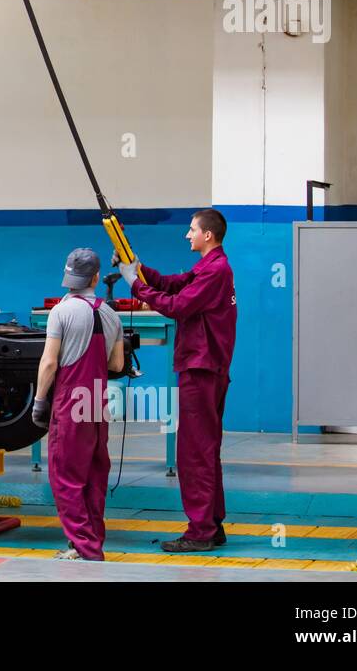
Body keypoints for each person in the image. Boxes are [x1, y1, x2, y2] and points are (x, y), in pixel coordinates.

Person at [118, 208, 236, 553]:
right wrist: (138, 268)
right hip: (208, 369)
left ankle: (200, 531)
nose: (187, 235)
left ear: (208, 235)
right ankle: (211, 524)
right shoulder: (210, 268)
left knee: (194, 452)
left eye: (191, 229)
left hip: (201, 370)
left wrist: (134, 285)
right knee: (206, 449)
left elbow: (177, 306)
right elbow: (173, 284)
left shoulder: (215, 271)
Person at [31, 247, 126, 561]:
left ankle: (86, 550)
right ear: (97, 277)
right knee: (94, 476)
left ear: (68, 275)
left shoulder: (61, 311)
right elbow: (116, 365)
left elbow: (49, 363)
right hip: (97, 404)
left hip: (70, 403)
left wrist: (40, 400)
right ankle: (89, 542)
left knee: (66, 477)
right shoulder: (111, 313)